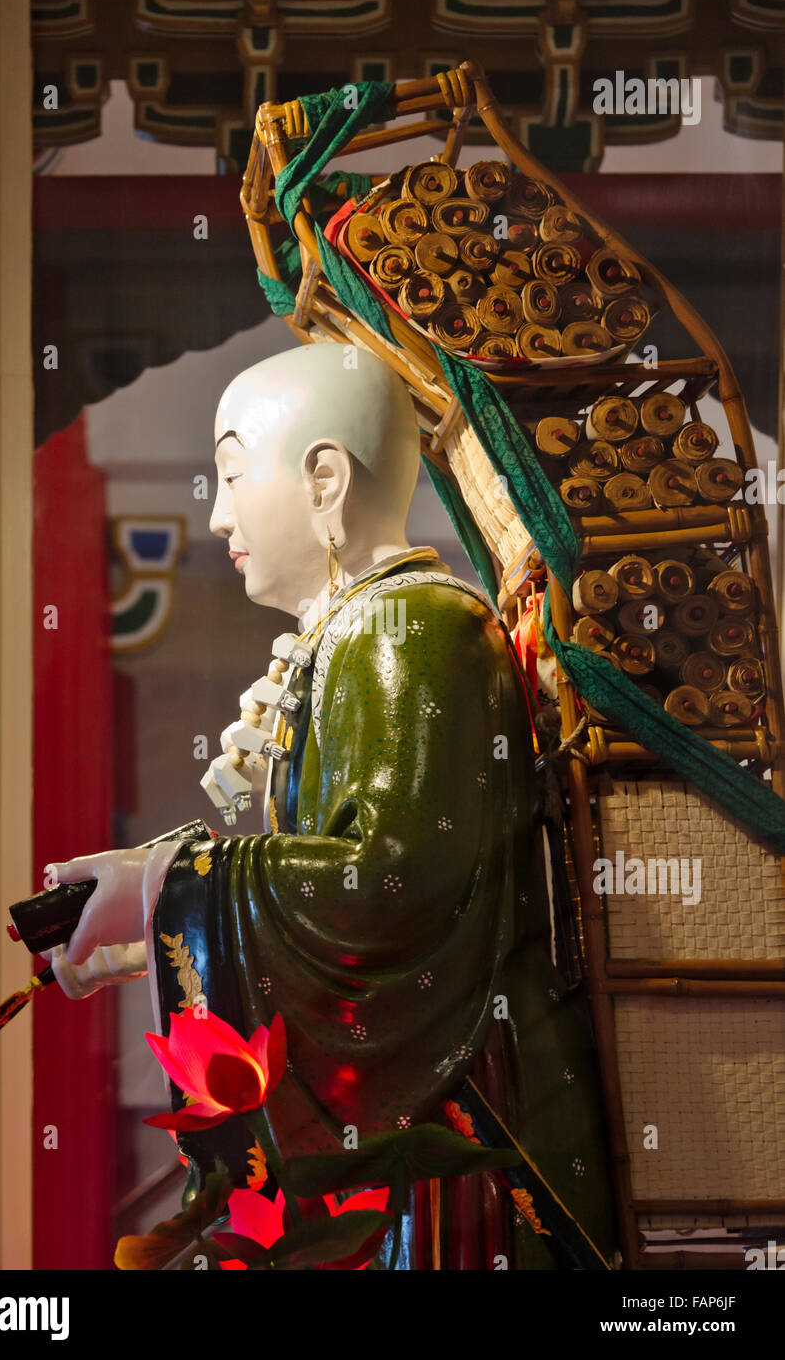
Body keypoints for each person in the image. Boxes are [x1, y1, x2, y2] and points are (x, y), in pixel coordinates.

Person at [46, 342, 615, 1268]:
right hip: (425, 1099)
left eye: (231, 473)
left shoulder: (412, 627)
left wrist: (160, 884)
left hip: (462, 1109)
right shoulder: (361, 629)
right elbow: (347, 898)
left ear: (323, 480)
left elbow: (391, 882)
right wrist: (146, 929)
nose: (220, 511)